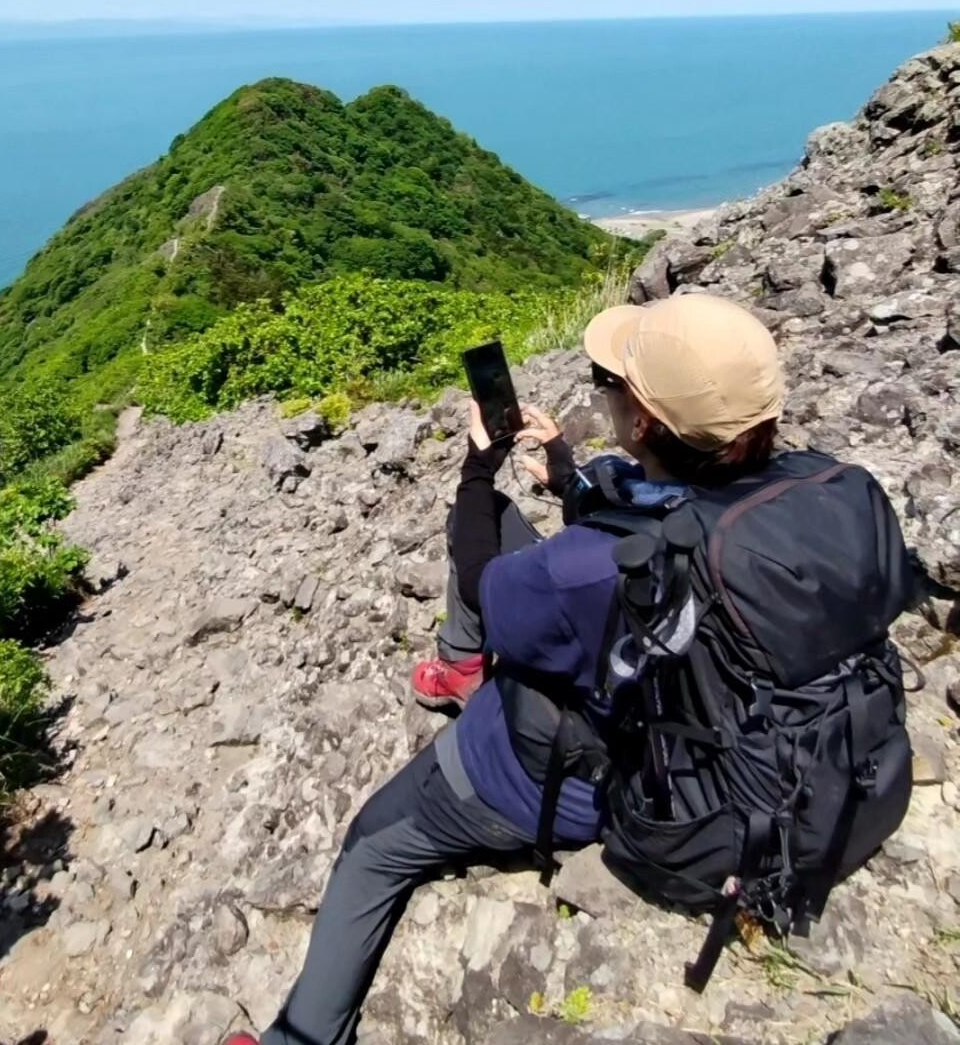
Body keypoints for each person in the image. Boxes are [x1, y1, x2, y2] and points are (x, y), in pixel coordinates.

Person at [224, 293, 791, 1045]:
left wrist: (476, 468)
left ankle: (298, 1039)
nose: (606, 391)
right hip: (707, 733)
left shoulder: (583, 573)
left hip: (565, 781)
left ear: (645, 421)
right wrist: (566, 477)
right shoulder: (780, 499)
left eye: (612, 381)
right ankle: (460, 666)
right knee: (513, 530)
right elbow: (643, 535)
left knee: (370, 847)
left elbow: (484, 574)